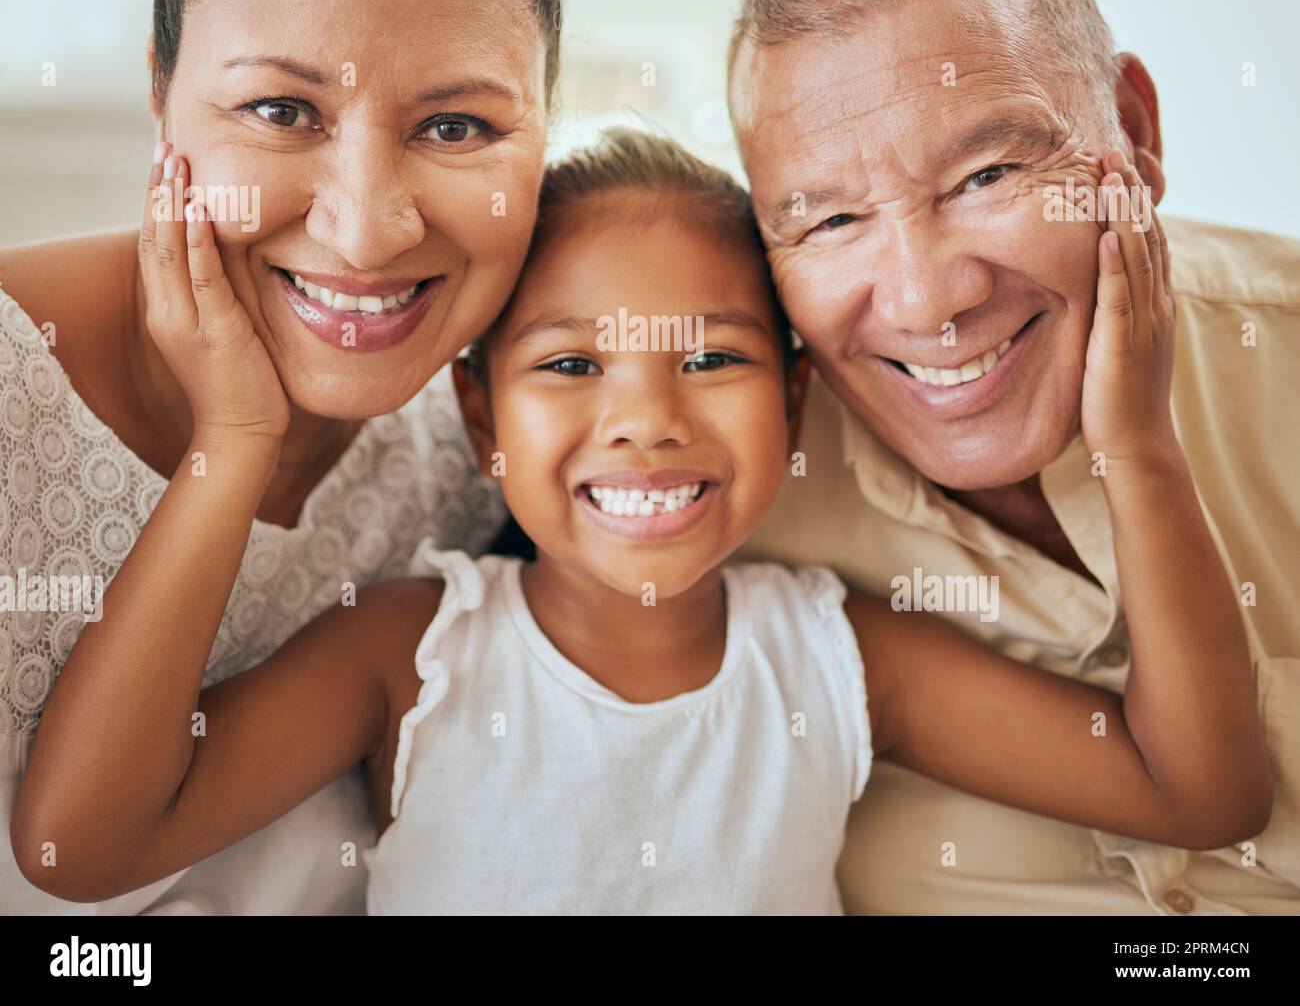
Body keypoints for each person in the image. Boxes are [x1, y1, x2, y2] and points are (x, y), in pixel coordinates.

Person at [11, 129, 1271, 915]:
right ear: (477, 415)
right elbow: (77, 846)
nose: (644, 422)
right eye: (568, 368)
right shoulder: (409, 649)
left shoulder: (836, 659)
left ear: (790, 403)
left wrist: (1138, 451)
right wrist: (232, 448)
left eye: (711, 360)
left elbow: (1200, 788)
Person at [0, 0, 561, 915]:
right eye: (280, 111)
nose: (365, 227)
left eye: (456, 126)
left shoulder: (479, 444)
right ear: (162, 95)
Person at [728, 0, 1300, 915]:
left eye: (987, 174)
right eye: (829, 223)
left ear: (1130, 129)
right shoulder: (717, 490)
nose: (924, 298)